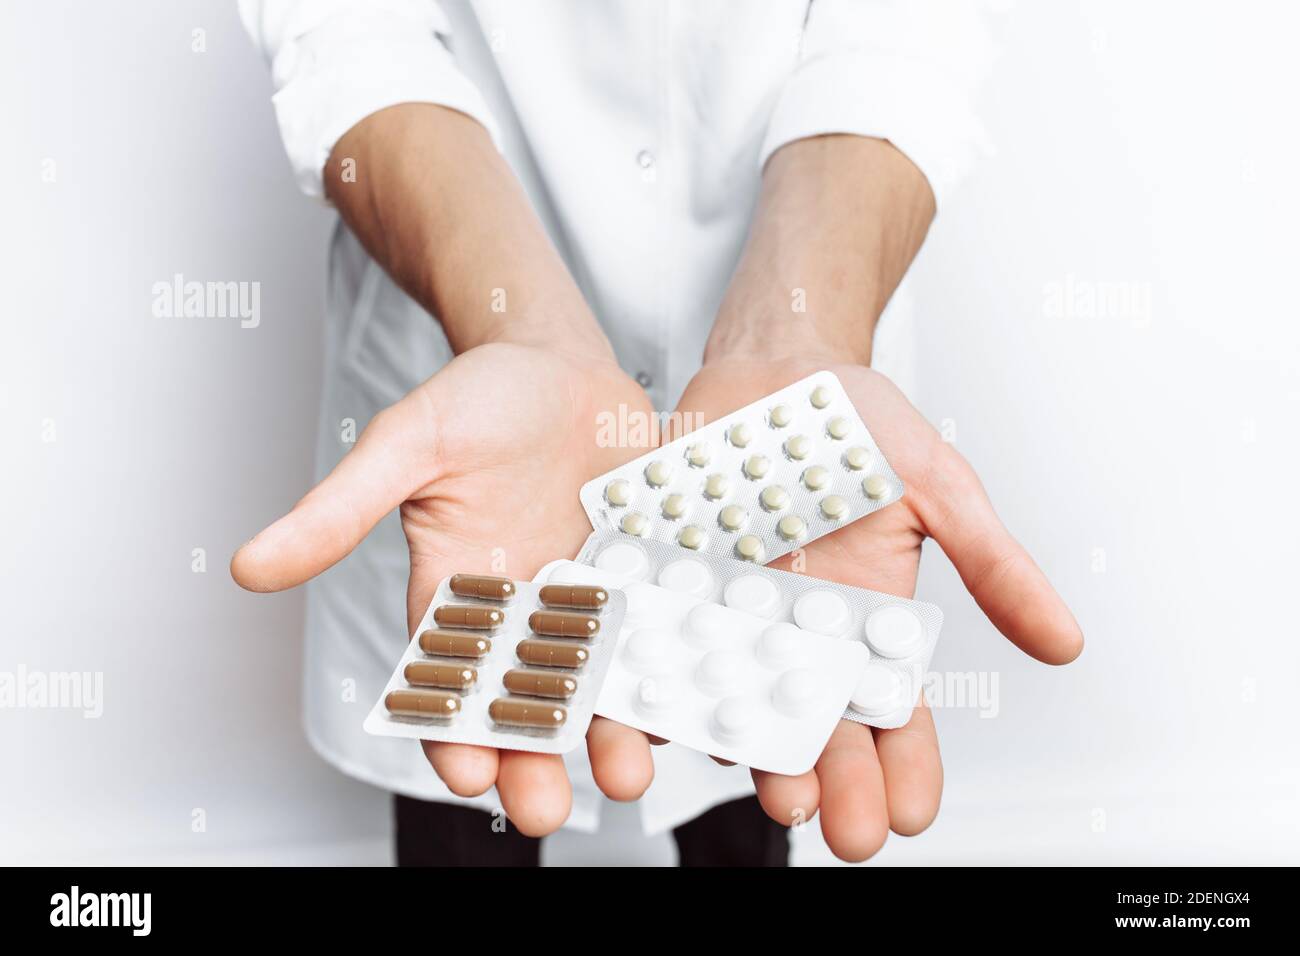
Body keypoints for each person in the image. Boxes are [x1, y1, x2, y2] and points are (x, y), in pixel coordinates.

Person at [233, 0, 1083, 866]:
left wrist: (798, 334)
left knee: (759, 753)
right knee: (471, 786)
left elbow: (901, 28)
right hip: (464, 354)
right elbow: (351, 28)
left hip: (799, 319)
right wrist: (513, 324)